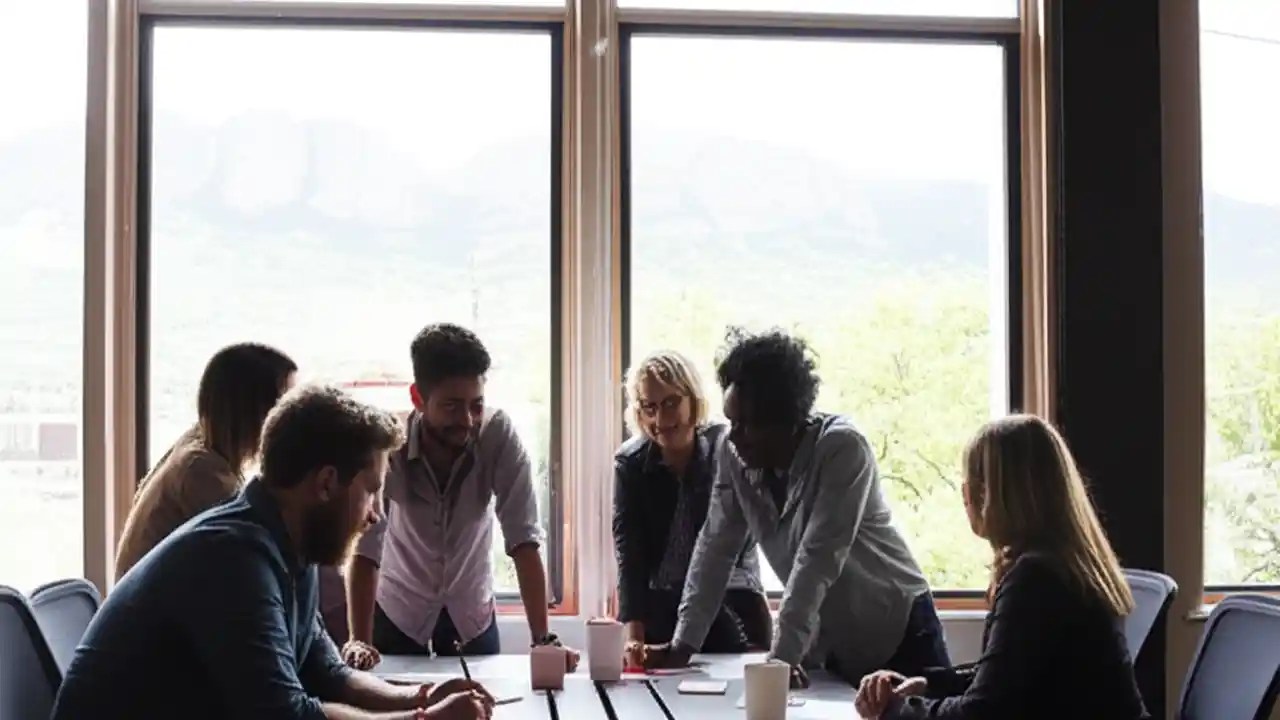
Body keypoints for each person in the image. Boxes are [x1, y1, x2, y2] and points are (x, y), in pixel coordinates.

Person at [52, 384, 494, 720]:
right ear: (325, 484)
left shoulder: (286, 544)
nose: (376, 515)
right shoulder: (232, 560)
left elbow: (328, 675)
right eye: (371, 493)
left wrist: (420, 697)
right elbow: (288, 716)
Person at [643, 328, 949, 688]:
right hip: (836, 645)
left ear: (785, 421)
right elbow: (715, 548)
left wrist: (781, 659)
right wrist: (683, 645)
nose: (733, 435)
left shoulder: (842, 449)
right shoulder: (734, 452)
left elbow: (816, 560)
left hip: (899, 629)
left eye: (747, 424)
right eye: (731, 421)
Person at [854, 415, 1149, 720]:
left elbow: (984, 712)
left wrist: (897, 711)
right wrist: (928, 686)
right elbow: (1007, 677)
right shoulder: (1065, 565)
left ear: (982, 494)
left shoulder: (1036, 580)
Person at [342, 323, 580, 671]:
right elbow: (366, 550)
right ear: (418, 399)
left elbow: (524, 539)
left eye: (476, 404)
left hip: (472, 620)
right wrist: (359, 643)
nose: (467, 420)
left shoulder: (498, 436)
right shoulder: (389, 446)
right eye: (452, 406)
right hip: (398, 615)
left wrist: (543, 641)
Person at [614, 350, 771, 666]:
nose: (660, 420)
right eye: (649, 407)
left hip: (732, 601)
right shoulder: (630, 464)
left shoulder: (726, 449)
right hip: (664, 609)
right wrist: (634, 638)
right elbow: (630, 557)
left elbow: (733, 548)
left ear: (692, 401)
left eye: (671, 403)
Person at [115, 342, 297, 580]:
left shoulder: (200, 444)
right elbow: (255, 557)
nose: (292, 420)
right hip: (159, 615)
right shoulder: (202, 472)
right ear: (254, 409)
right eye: (285, 406)